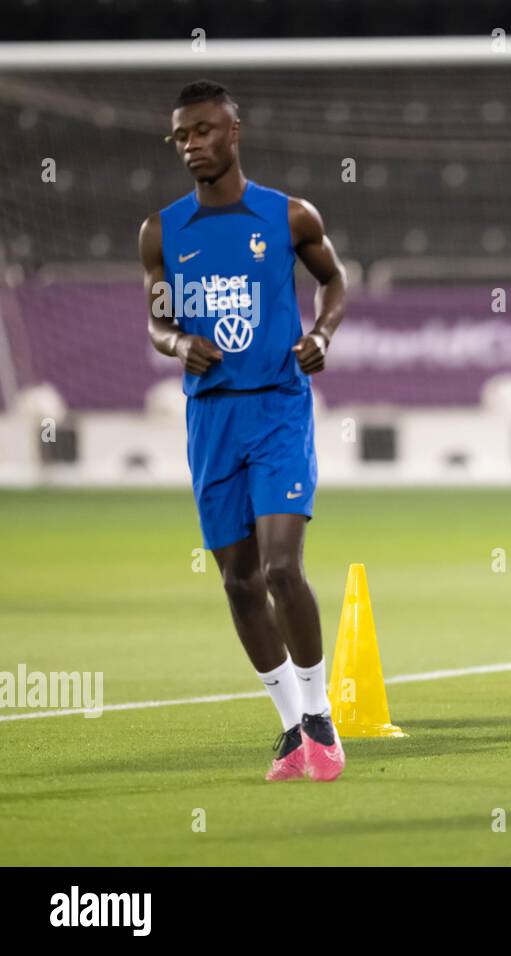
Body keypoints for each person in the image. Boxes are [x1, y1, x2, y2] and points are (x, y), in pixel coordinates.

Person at [139, 80, 348, 781]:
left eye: (203, 130)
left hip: (278, 406)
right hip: (211, 418)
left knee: (283, 566)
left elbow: (334, 281)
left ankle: (321, 716)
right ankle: (291, 728)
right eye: (181, 136)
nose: (192, 144)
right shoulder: (162, 232)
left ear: (234, 130)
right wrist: (175, 346)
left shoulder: (287, 216)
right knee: (237, 580)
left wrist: (321, 333)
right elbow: (158, 319)